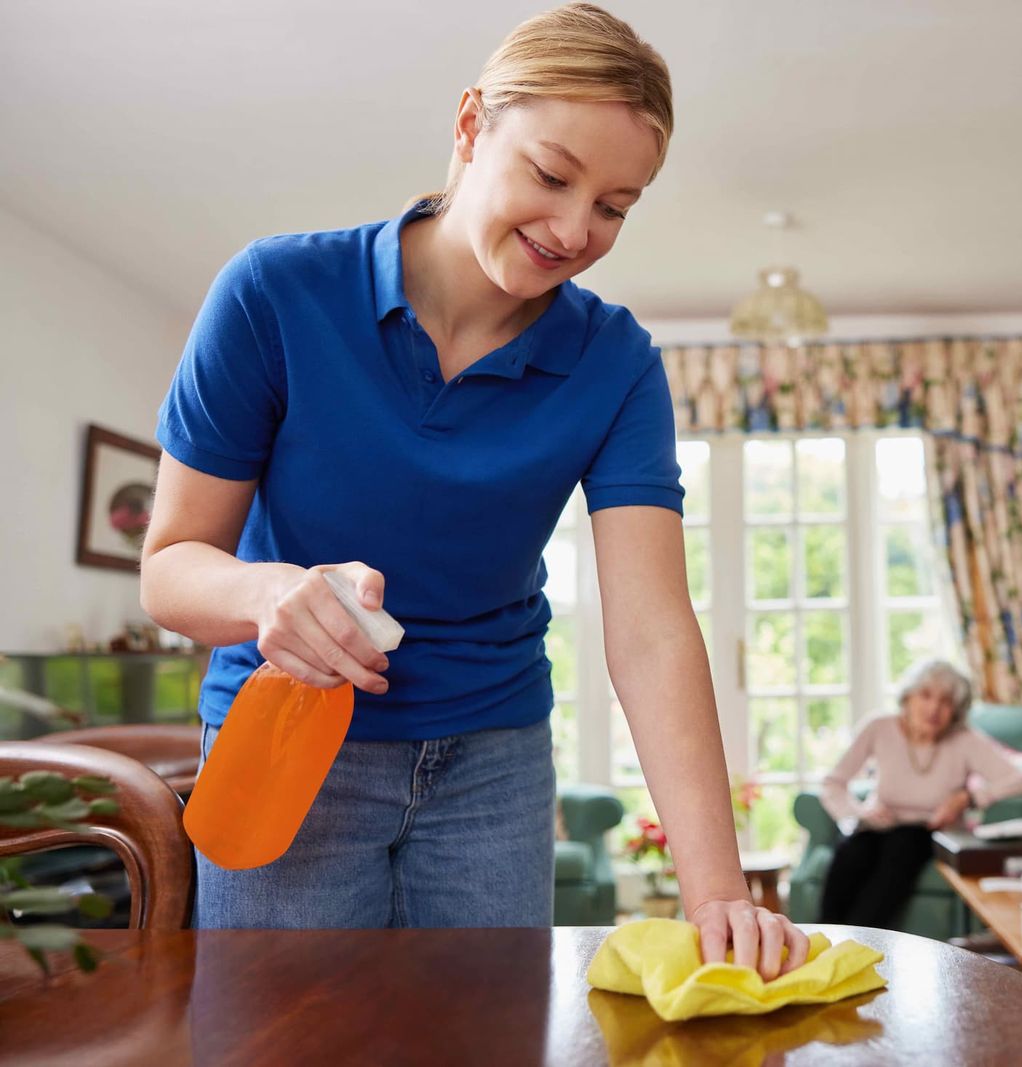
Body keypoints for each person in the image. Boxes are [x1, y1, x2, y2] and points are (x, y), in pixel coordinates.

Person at [139, 3, 809, 979]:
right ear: (468, 126)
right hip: (290, 746)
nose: (576, 228)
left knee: (483, 1034)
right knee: (278, 1039)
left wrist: (714, 891)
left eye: (616, 205)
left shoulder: (613, 361)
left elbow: (652, 627)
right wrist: (265, 594)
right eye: (550, 174)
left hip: (493, 758)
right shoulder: (275, 294)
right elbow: (169, 567)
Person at [818, 659, 1022, 927]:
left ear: (956, 711)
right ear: (908, 697)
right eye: (926, 696)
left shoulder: (965, 739)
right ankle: (824, 940)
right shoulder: (879, 727)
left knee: (902, 846)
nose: (934, 708)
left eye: (946, 702)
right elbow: (832, 783)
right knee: (852, 850)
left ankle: (857, 945)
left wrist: (968, 798)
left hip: (928, 832)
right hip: (879, 826)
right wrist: (857, 814)